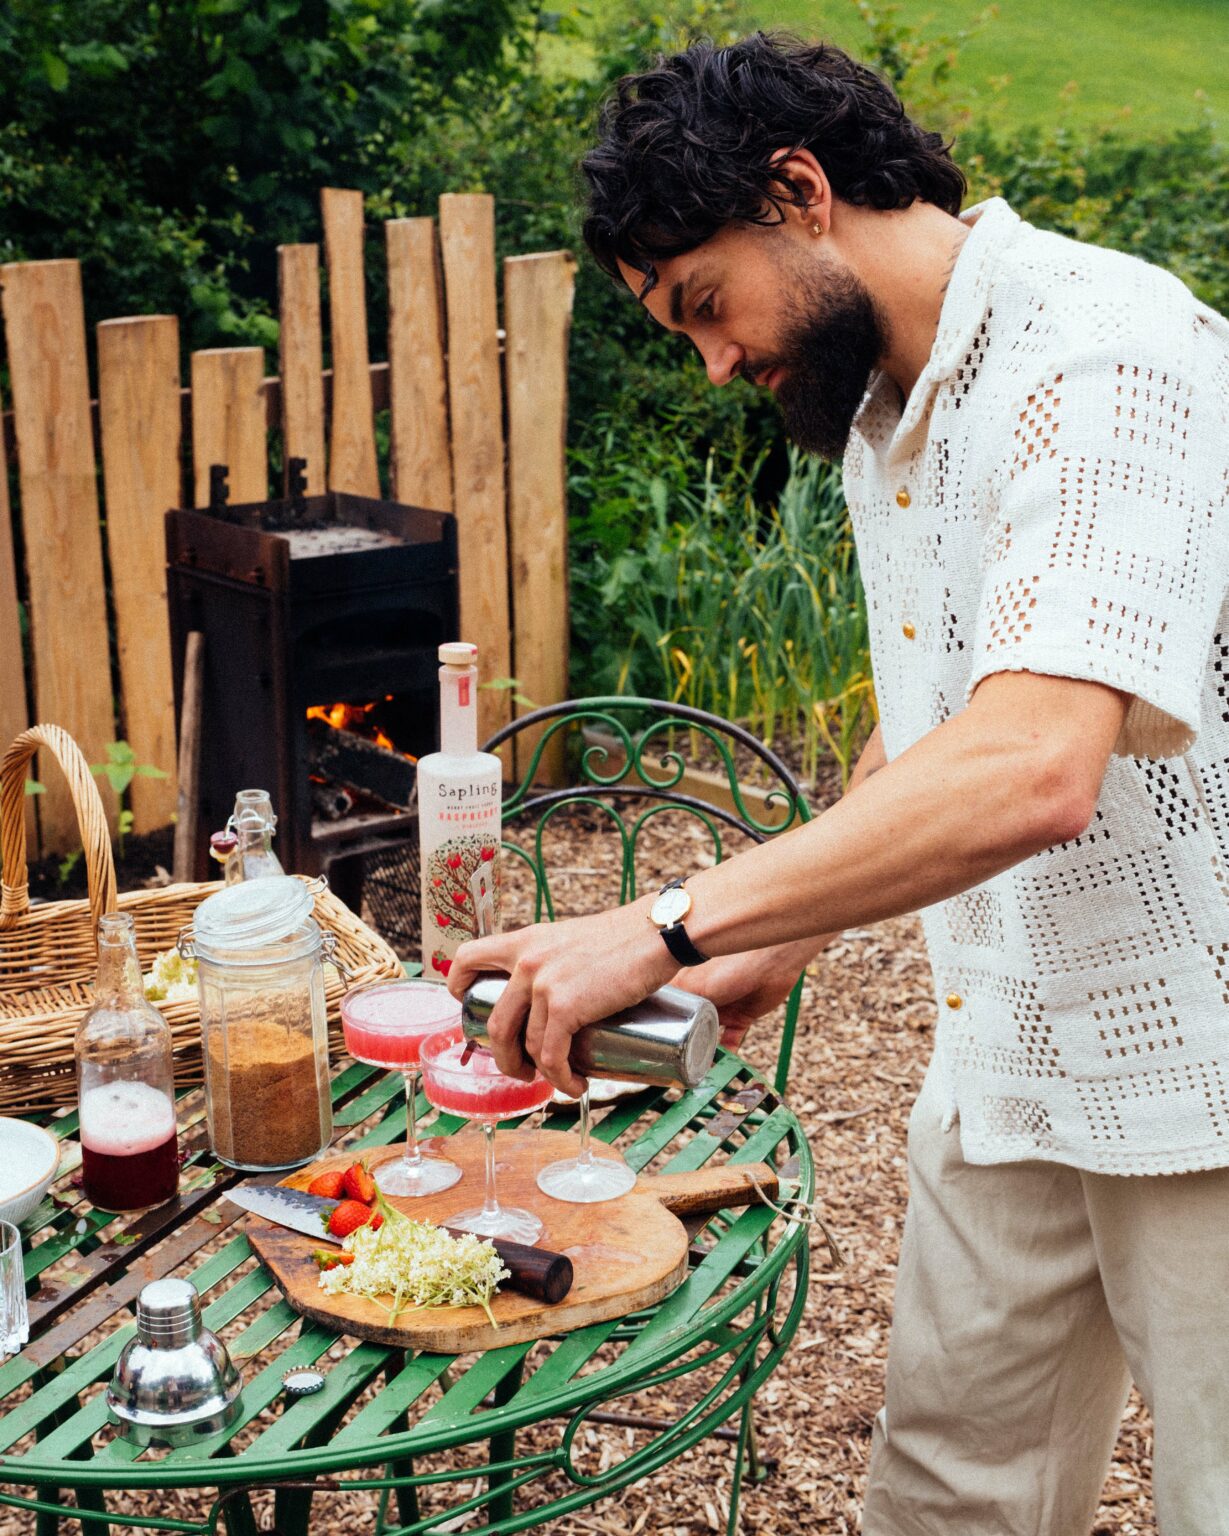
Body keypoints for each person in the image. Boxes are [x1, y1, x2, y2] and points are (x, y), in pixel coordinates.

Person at [447, 32, 1229, 1535]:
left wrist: (661, 925)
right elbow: (938, 723)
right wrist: (767, 941)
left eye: (703, 305)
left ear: (797, 190)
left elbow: (1032, 766)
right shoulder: (884, 406)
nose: (717, 360)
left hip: (1202, 1062)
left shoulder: (1106, 350)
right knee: (946, 1494)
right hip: (1005, 1037)